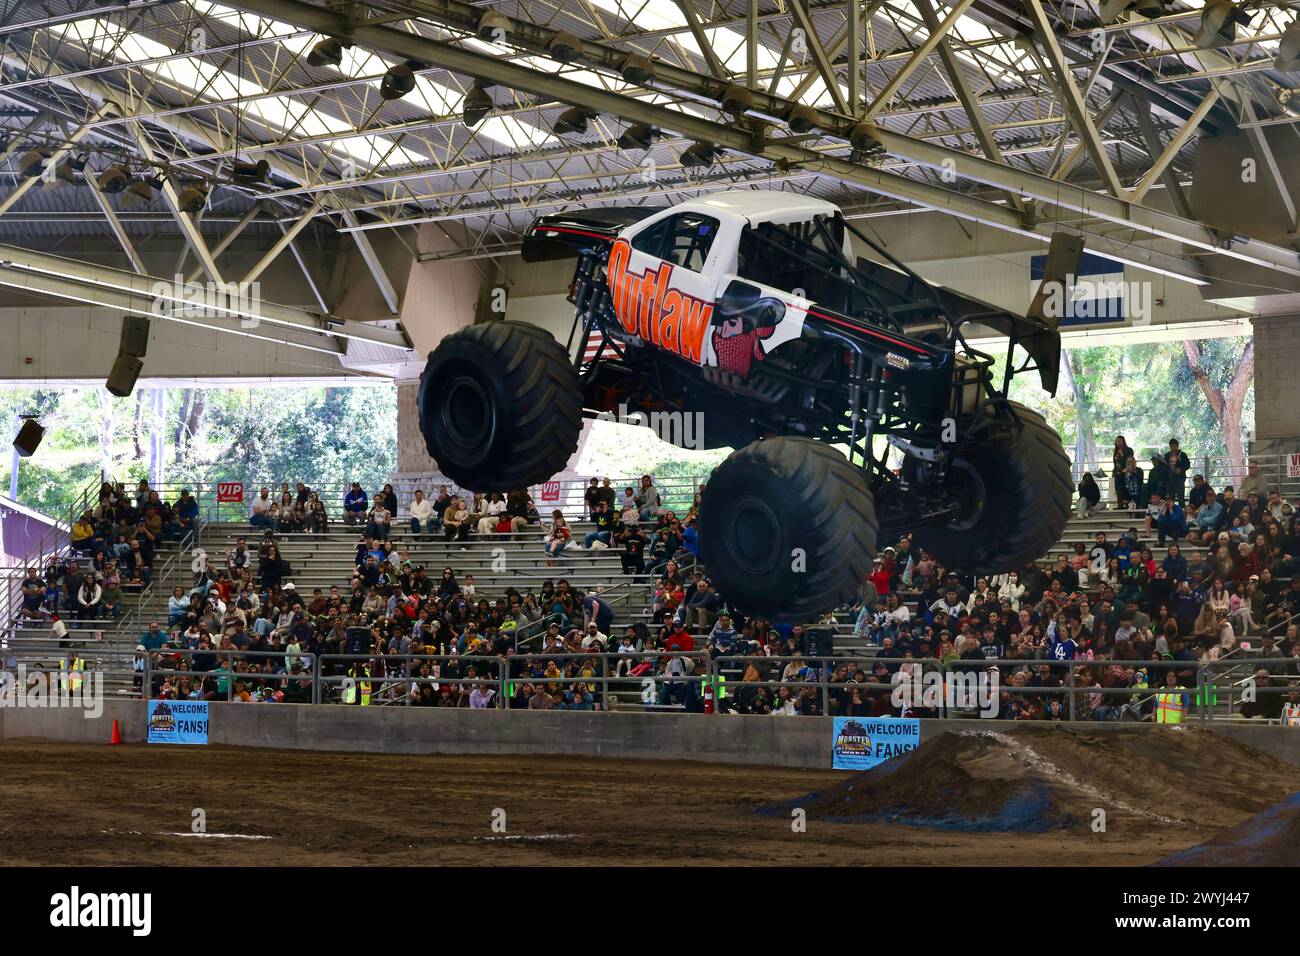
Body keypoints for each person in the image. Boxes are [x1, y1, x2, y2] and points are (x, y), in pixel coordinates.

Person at [1165, 439, 1190, 506]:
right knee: (1170, 498)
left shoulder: (1182, 455)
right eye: (1171, 446)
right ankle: (1171, 513)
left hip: (1180, 479)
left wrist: (1181, 469)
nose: (1172, 448)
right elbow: (1164, 466)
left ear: (1177, 446)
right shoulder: (1167, 455)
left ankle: (1182, 513)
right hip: (1169, 479)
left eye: (1174, 446)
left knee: (1180, 497)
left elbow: (1187, 465)